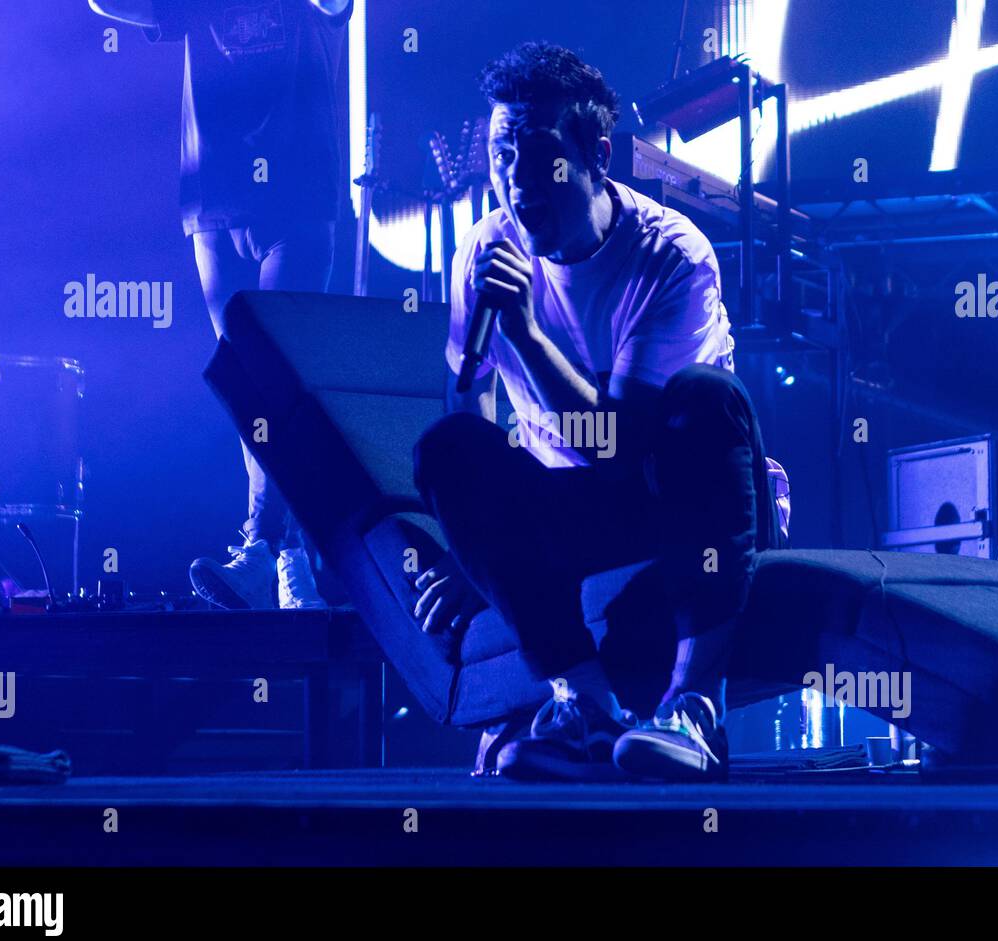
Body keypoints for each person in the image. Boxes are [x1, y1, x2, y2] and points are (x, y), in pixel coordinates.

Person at [412, 42, 782, 781]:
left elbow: (617, 450)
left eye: (538, 154)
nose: (515, 179)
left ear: (596, 157)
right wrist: (470, 552)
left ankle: (693, 711)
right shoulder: (486, 247)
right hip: (573, 511)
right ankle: (585, 708)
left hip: (681, 499)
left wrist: (526, 332)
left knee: (705, 401)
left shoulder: (672, 257)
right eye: (500, 151)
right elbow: (470, 400)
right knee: (448, 448)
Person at [87, 0, 352, 609]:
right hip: (214, 197)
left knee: (274, 373)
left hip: (299, 198)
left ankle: (264, 545)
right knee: (249, 382)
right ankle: (284, 557)